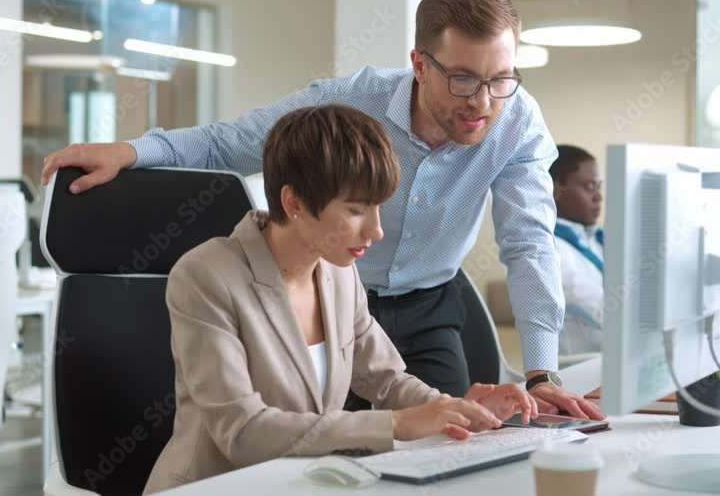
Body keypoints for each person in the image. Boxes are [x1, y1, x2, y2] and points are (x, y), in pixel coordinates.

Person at [42, 0, 603, 419]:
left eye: (501, 79)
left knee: (450, 441)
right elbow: (228, 142)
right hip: (332, 297)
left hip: (431, 302)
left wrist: (542, 374)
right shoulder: (348, 104)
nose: (482, 101)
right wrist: (133, 151)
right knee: (334, 456)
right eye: (462, 79)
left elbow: (529, 243)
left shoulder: (519, 123)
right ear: (418, 64)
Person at [143, 105, 537, 493]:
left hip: (302, 483)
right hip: (216, 487)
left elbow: (385, 379)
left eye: (378, 208)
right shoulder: (206, 275)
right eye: (355, 210)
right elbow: (243, 432)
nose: (376, 230)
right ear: (294, 202)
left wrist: (457, 410)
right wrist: (397, 424)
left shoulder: (338, 271)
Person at [548, 145, 604, 355]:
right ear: (556, 190)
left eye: (599, 186)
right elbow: (608, 311)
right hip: (580, 373)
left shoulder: (595, 240)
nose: (598, 196)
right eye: (590, 187)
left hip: (613, 364)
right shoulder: (548, 250)